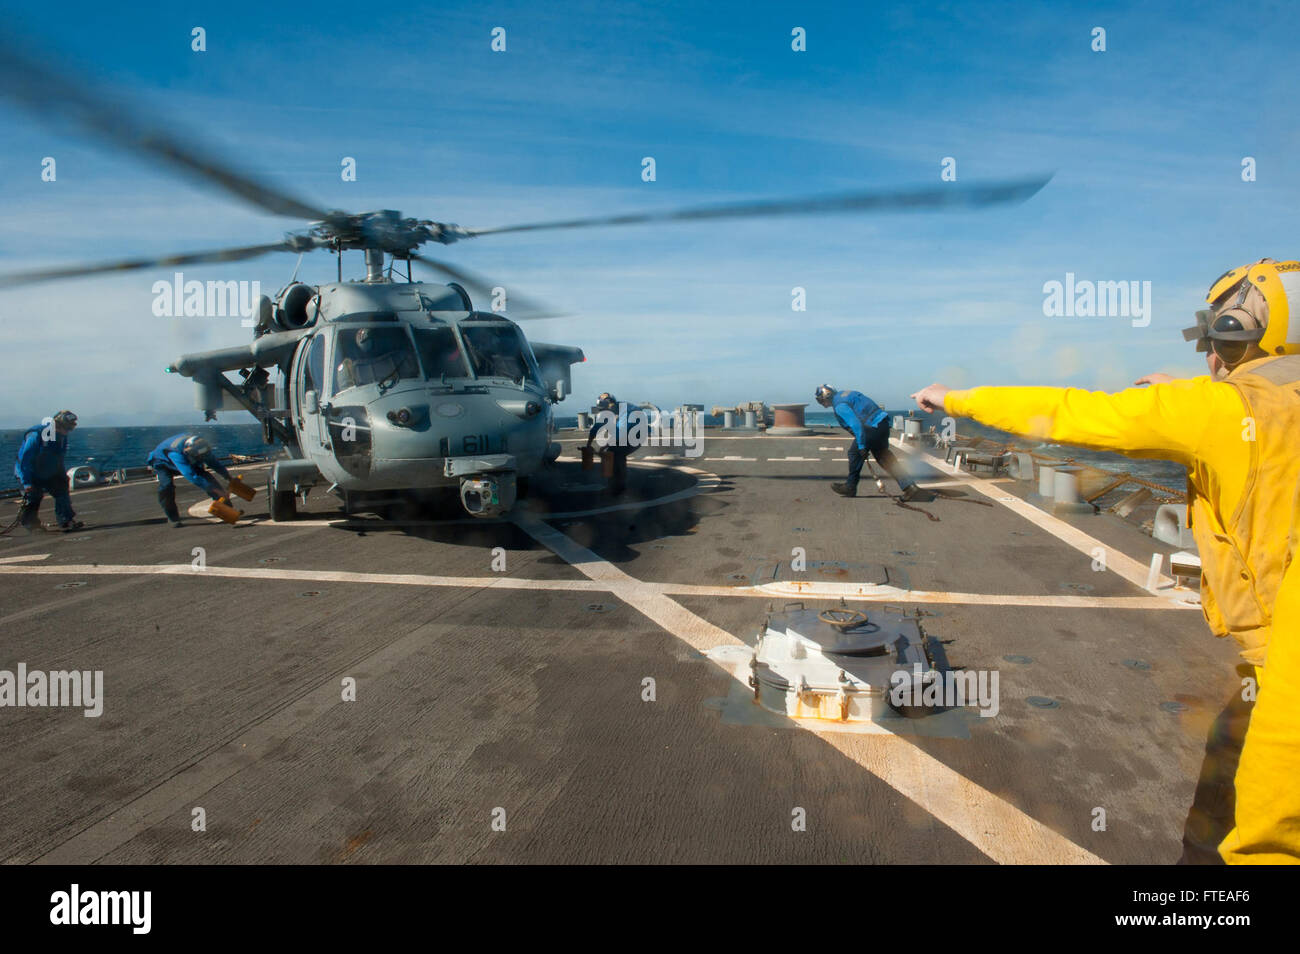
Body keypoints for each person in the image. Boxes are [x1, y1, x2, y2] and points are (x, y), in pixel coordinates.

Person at [910, 257, 1300, 864]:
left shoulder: (1220, 409)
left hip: (1289, 665)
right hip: (1269, 666)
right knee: (1224, 783)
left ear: (1234, 329)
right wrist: (1184, 395)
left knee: (1264, 840)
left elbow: (1072, 412)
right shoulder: (1234, 403)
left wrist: (955, 398)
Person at [814, 384, 919, 500]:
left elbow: (856, 425)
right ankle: (910, 487)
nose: (822, 403)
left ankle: (850, 487)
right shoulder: (847, 394)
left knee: (854, 454)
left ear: (827, 396)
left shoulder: (839, 405)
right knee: (884, 458)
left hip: (871, 427)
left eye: (821, 399)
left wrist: (862, 446)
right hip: (882, 424)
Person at [13, 410, 82, 532]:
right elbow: (25, 460)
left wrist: (62, 476)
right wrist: (26, 482)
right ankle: (31, 525)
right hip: (30, 472)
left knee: (61, 490)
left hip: (48, 471)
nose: (68, 432)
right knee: (34, 495)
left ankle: (65, 521)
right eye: (67, 428)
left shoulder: (61, 438)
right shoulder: (37, 435)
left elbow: (59, 458)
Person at [147, 433, 230, 528]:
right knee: (166, 487)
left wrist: (228, 477)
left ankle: (226, 510)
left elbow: (214, 463)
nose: (201, 459)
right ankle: (173, 517)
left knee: (208, 478)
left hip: (187, 459)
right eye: (198, 457)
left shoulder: (201, 448)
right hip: (162, 462)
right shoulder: (176, 454)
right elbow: (191, 475)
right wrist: (217, 491)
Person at [586, 393, 637, 493]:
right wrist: (588, 444)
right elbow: (596, 428)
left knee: (616, 453)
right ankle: (615, 483)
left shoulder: (624, 411)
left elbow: (619, 434)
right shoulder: (610, 411)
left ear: (610, 405)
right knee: (613, 452)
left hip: (637, 432)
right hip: (628, 431)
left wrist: (603, 447)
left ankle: (619, 485)